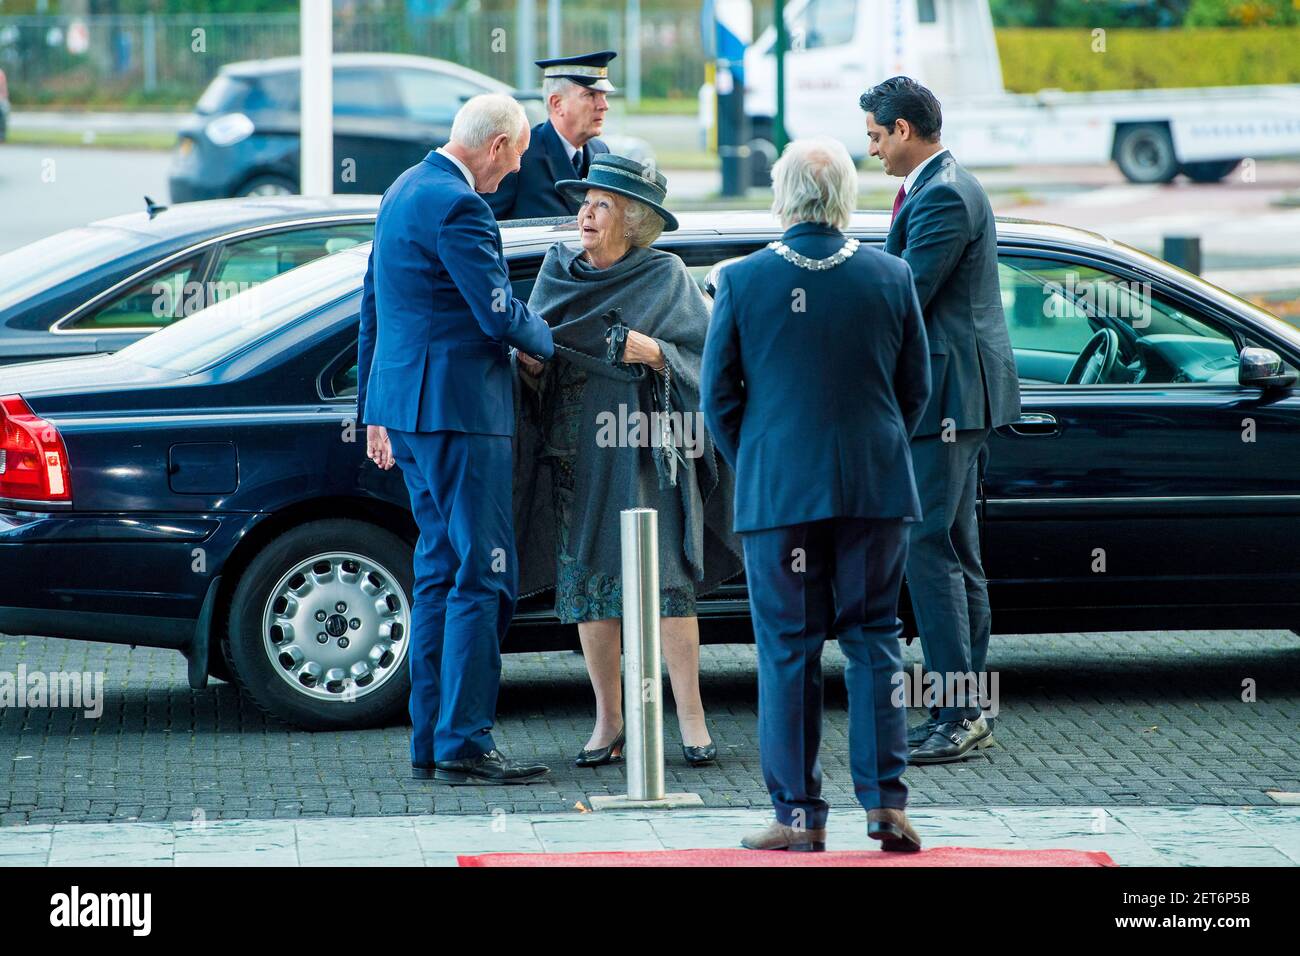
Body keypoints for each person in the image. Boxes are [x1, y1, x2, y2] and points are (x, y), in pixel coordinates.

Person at [702, 138, 932, 852]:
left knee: (789, 650)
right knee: (874, 642)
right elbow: (915, 391)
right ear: (843, 199)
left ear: (782, 194)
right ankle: (886, 806)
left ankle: (798, 815)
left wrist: (763, 459)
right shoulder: (891, 276)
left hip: (782, 497)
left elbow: (718, 400)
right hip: (874, 487)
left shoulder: (742, 281)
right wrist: (878, 446)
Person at [512, 153, 743, 768]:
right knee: (590, 586)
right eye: (585, 202)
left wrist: (659, 353)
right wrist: (530, 367)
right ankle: (608, 722)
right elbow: (536, 352)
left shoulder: (666, 275)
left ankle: (691, 721)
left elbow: (713, 358)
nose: (585, 214)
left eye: (602, 205)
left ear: (633, 222)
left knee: (666, 586)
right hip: (574, 452)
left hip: (645, 450)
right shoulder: (557, 270)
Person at [357, 93, 556, 785]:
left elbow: (373, 307)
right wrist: (547, 340)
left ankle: (431, 742)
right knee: (485, 574)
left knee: (439, 571)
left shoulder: (403, 191)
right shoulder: (461, 205)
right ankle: (466, 742)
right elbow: (498, 312)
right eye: (520, 154)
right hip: (460, 414)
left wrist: (373, 408)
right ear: (498, 144)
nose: (517, 170)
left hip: (410, 412)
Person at [860, 76, 1021, 764]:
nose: (869, 149)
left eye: (874, 135)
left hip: (949, 400)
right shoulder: (939, 186)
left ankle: (958, 714)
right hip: (957, 395)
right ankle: (968, 709)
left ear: (903, 131)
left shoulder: (945, 195)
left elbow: (904, 293)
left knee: (929, 549)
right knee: (956, 550)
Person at [486, 51, 615, 221]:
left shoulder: (600, 152)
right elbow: (489, 228)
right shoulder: (519, 155)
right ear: (557, 104)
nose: (603, 105)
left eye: (603, 96)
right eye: (590, 95)